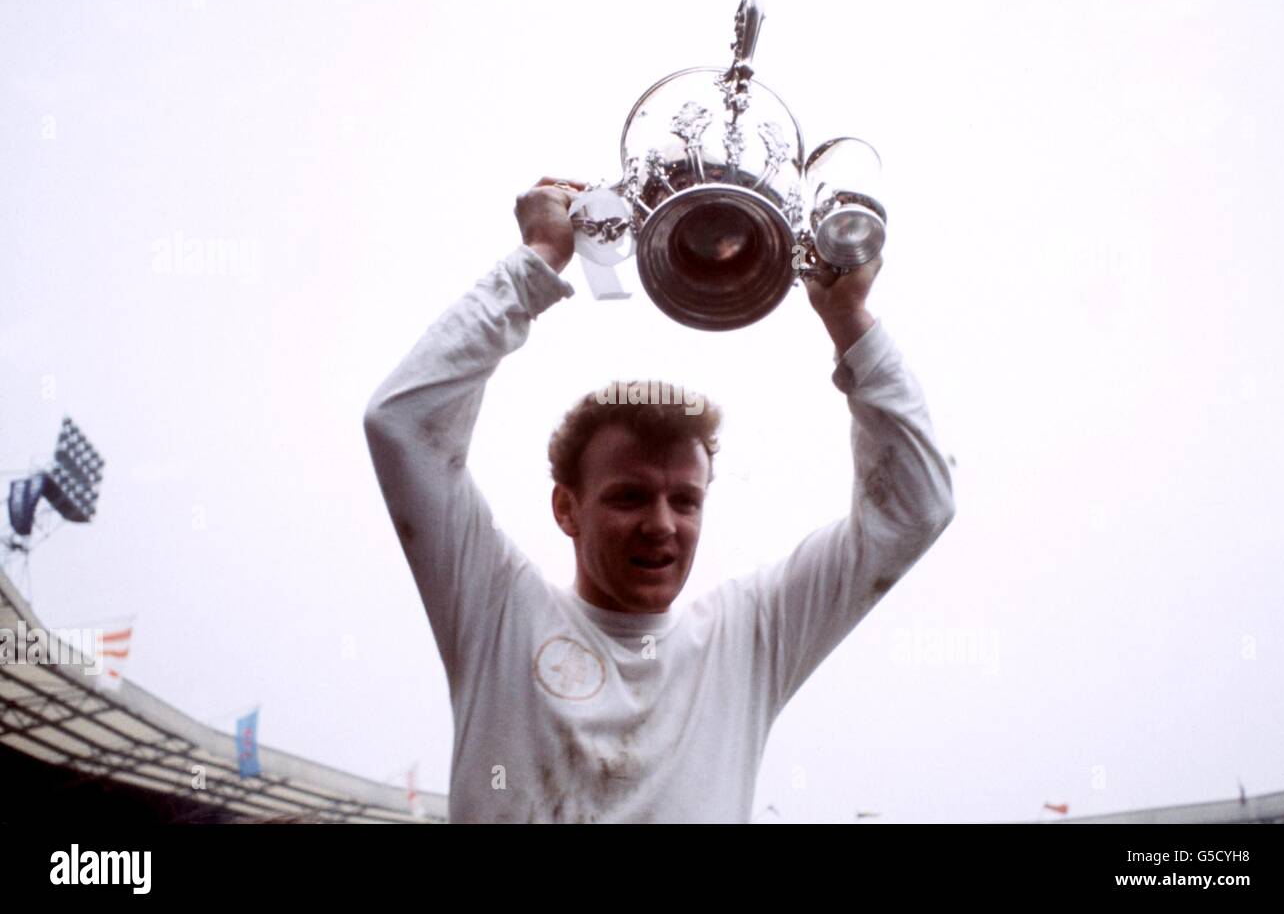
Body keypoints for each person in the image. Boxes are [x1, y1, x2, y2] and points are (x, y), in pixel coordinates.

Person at [363, 177, 956, 823]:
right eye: (628, 497)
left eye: (685, 500)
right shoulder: (497, 610)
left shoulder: (748, 637)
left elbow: (915, 510)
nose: (661, 525)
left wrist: (850, 322)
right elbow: (404, 425)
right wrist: (537, 263)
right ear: (566, 508)